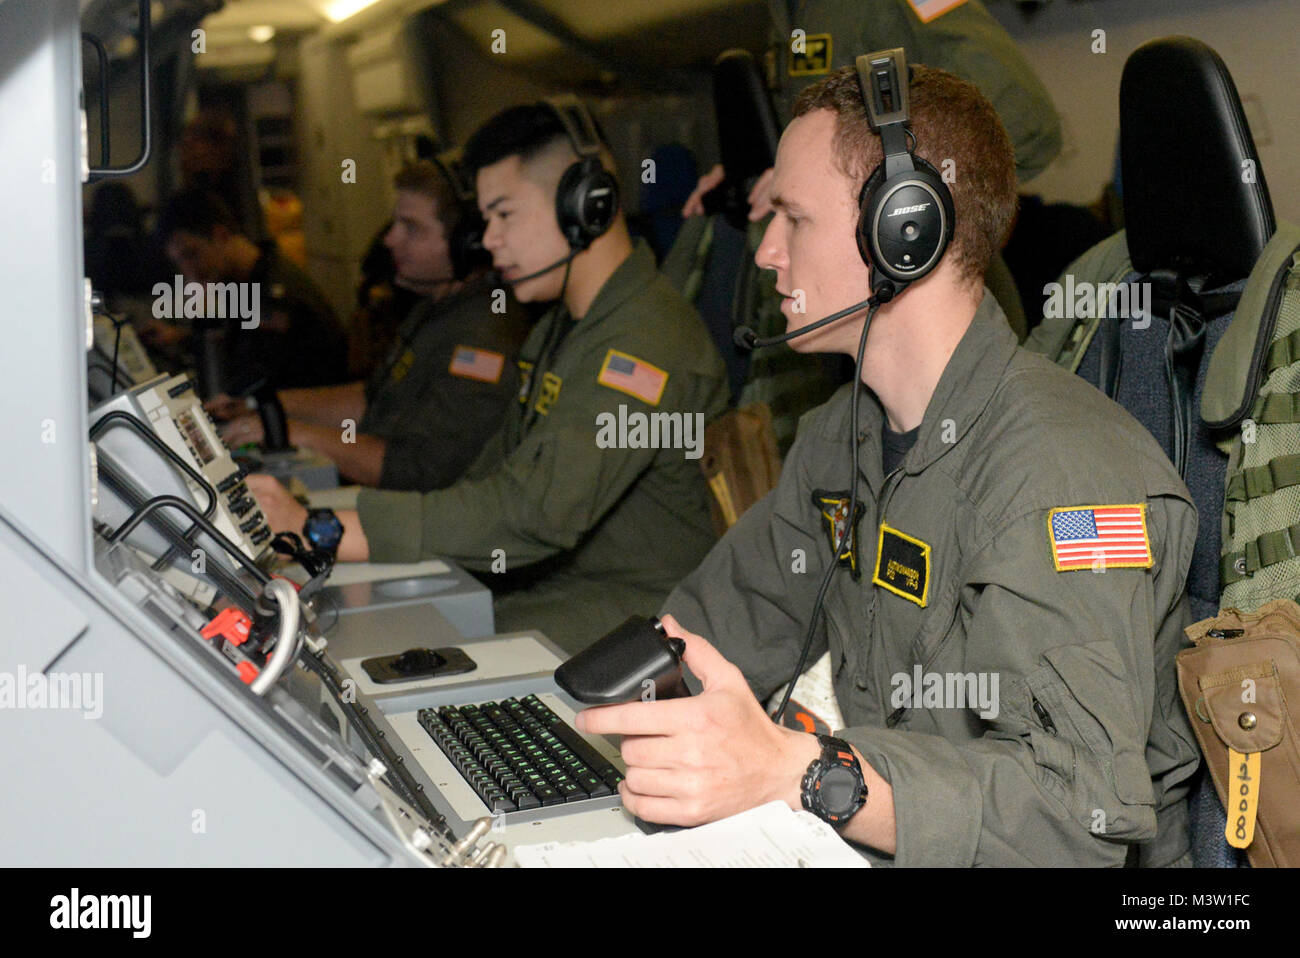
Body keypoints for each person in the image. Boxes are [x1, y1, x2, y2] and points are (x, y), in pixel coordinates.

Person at [575, 63, 1201, 867]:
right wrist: (574, 724)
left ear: (905, 233)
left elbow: (1075, 818)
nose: (764, 254)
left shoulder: (1064, 478)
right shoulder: (845, 435)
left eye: (793, 220)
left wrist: (803, 773)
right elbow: (715, 629)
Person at [247, 99, 730, 654]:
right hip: (563, 587)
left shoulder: (643, 343)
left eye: (505, 215)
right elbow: (485, 483)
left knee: (397, 651)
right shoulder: (560, 330)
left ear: (588, 205)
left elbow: (530, 513)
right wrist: (323, 516)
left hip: (644, 615)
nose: (490, 239)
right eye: (485, 220)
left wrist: (320, 530)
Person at [210, 161, 529, 492]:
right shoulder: (440, 306)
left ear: (469, 244)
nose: (390, 239)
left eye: (411, 227)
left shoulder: (483, 338)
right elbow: (374, 400)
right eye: (395, 223)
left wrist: (293, 432)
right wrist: (263, 407)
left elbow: (419, 469)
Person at [152, 190, 349, 394]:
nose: (188, 271)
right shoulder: (251, 276)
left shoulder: (275, 296)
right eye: (179, 262)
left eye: (191, 254)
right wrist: (181, 338)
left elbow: (250, 379)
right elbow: (236, 340)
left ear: (221, 235)